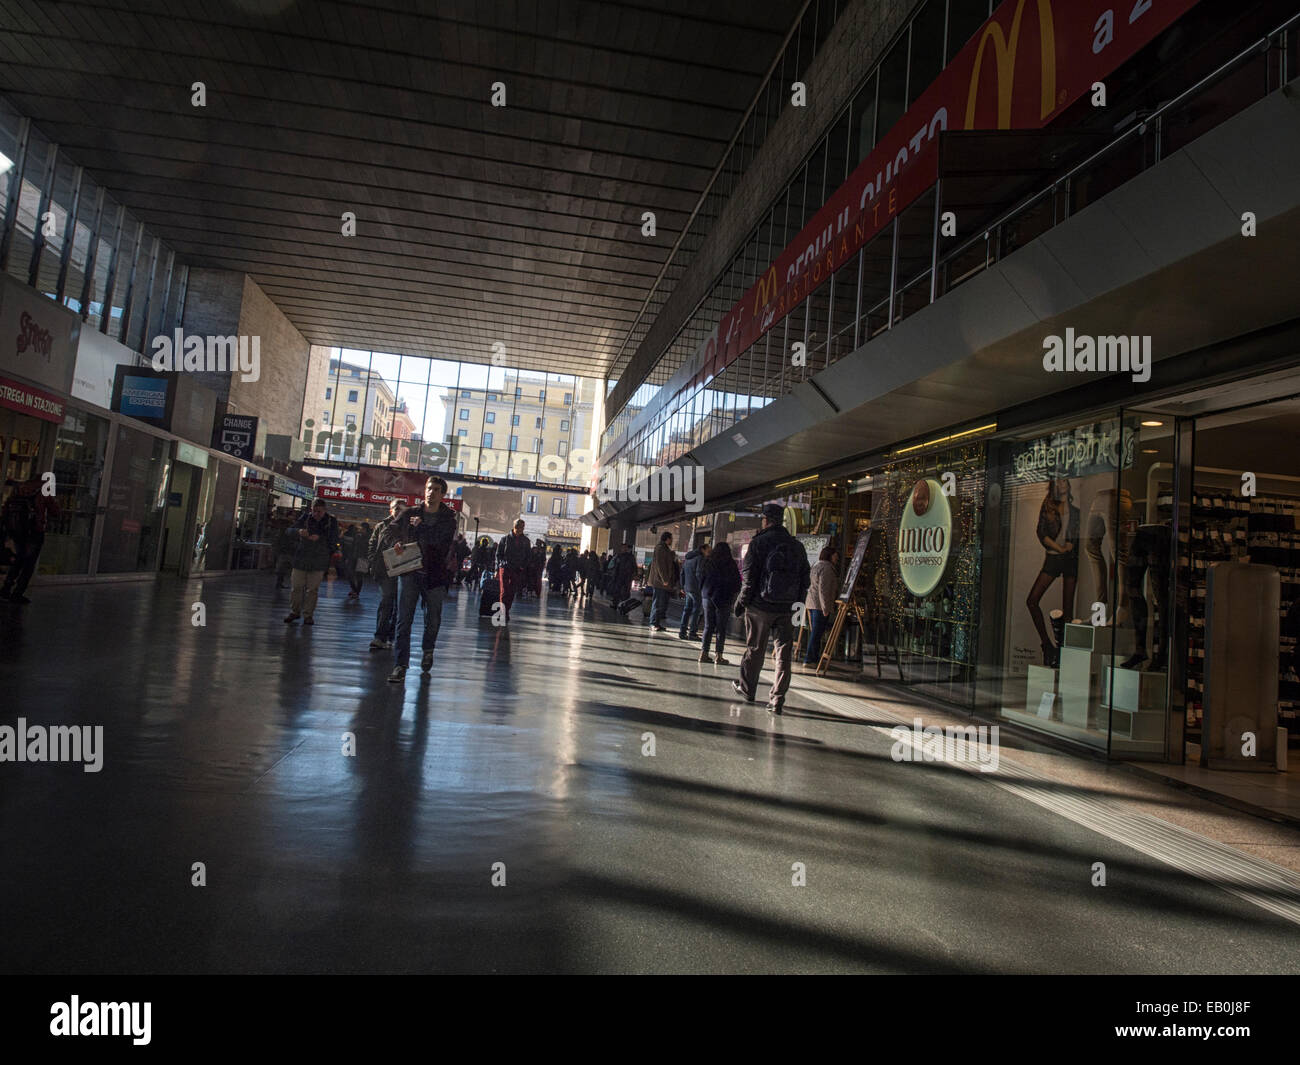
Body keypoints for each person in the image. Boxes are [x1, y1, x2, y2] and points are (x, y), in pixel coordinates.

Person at [732, 502, 810, 714]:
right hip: (787, 608)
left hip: (760, 607)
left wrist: (741, 603)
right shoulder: (796, 546)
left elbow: (748, 579)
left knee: (755, 650)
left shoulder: (758, 543)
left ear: (766, 520)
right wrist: (797, 605)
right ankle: (777, 699)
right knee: (784, 655)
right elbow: (805, 580)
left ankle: (747, 689)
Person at [387, 476, 458, 682]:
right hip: (409, 572)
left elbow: (440, 543)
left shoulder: (448, 519)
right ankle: (400, 665)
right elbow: (392, 528)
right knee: (403, 620)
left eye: (436, 489)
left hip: (434, 574)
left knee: (433, 619)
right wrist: (398, 542)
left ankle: (428, 650)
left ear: (442, 494)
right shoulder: (411, 513)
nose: (431, 492)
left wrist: (421, 528)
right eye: (428, 488)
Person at [1026, 477, 1079, 667]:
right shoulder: (1048, 507)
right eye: (1058, 482)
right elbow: (1042, 533)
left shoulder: (1075, 512)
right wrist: (1059, 547)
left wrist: (1067, 548)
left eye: (1064, 481)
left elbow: (1074, 538)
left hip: (1070, 560)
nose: (1061, 485)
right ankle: (1047, 644)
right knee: (1032, 600)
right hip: (1054, 557)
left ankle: (1062, 654)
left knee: (1068, 611)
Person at [0, 477, 61, 604]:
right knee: (29, 564)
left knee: (19, 559)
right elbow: (55, 511)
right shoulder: (44, 491)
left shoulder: (19, 490)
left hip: (18, 531)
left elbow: (6, 508)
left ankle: (6, 588)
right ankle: (18, 593)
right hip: (34, 532)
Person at [284, 497, 339, 625]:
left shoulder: (331, 522)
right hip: (302, 558)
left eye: (319, 511)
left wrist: (319, 539)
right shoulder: (305, 518)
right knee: (296, 587)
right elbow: (289, 531)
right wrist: (299, 531)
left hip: (318, 560)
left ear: (325, 510)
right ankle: (295, 611)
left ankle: (308, 614)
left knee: (312, 589)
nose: (315, 514)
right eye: (314, 511)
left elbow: (334, 539)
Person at [367, 498, 404, 652]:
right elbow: (372, 544)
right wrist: (372, 562)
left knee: (398, 605)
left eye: (402, 509)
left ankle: (390, 636)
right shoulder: (381, 526)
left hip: (401, 570)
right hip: (384, 569)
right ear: (391, 510)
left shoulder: (408, 527)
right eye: (396, 509)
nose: (399, 512)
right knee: (387, 600)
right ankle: (380, 636)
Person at [699, 541, 741, 664]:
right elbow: (737, 582)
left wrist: (704, 592)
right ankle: (719, 656)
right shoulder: (731, 564)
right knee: (721, 629)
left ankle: (704, 653)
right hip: (724, 598)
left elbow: (701, 578)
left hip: (708, 597)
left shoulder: (707, 561)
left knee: (708, 626)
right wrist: (731, 594)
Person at [803, 545, 841, 665]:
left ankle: (812, 657)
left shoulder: (816, 565)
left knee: (815, 631)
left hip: (811, 603)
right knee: (817, 633)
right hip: (819, 605)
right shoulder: (827, 569)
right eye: (835, 556)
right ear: (830, 555)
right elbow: (823, 590)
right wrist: (825, 608)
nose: (837, 558)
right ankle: (810, 658)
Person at [496, 519, 532, 622]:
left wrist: (522, 566)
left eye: (522, 528)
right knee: (504, 591)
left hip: (517, 569)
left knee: (511, 591)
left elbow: (528, 556)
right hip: (506, 568)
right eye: (519, 528)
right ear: (514, 527)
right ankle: (503, 612)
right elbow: (498, 554)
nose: (520, 530)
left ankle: (506, 611)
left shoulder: (525, 541)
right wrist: (499, 566)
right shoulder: (505, 539)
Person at [646, 531, 679, 632]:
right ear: (667, 539)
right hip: (660, 582)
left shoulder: (664, 549)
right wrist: (664, 579)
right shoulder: (660, 548)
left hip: (662, 582)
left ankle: (656, 623)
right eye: (671, 538)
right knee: (658, 603)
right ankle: (653, 623)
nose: (672, 541)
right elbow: (660, 565)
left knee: (661, 604)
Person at [678, 541, 709, 641]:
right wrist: (702, 587)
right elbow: (699, 574)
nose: (709, 552)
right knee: (696, 611)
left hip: (687, 588)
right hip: (696, 588)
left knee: (687, 610)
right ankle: (692, 633)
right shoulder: (700, 558)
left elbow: (682, 573)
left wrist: (683, 586)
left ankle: (682, 632)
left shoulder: (688, 559)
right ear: (702, 549)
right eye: (708, 550)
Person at [609, 541, 636, 607]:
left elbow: (634, 566)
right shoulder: (619, 556)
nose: (624, 549)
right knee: (619, 591)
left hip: (625, 577)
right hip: (621, 576)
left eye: (624, 547)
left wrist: (634, 575)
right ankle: (617, 604)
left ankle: (622, 605)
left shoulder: (628, 557)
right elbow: (613, 566)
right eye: (623, 548)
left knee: (624, 592)